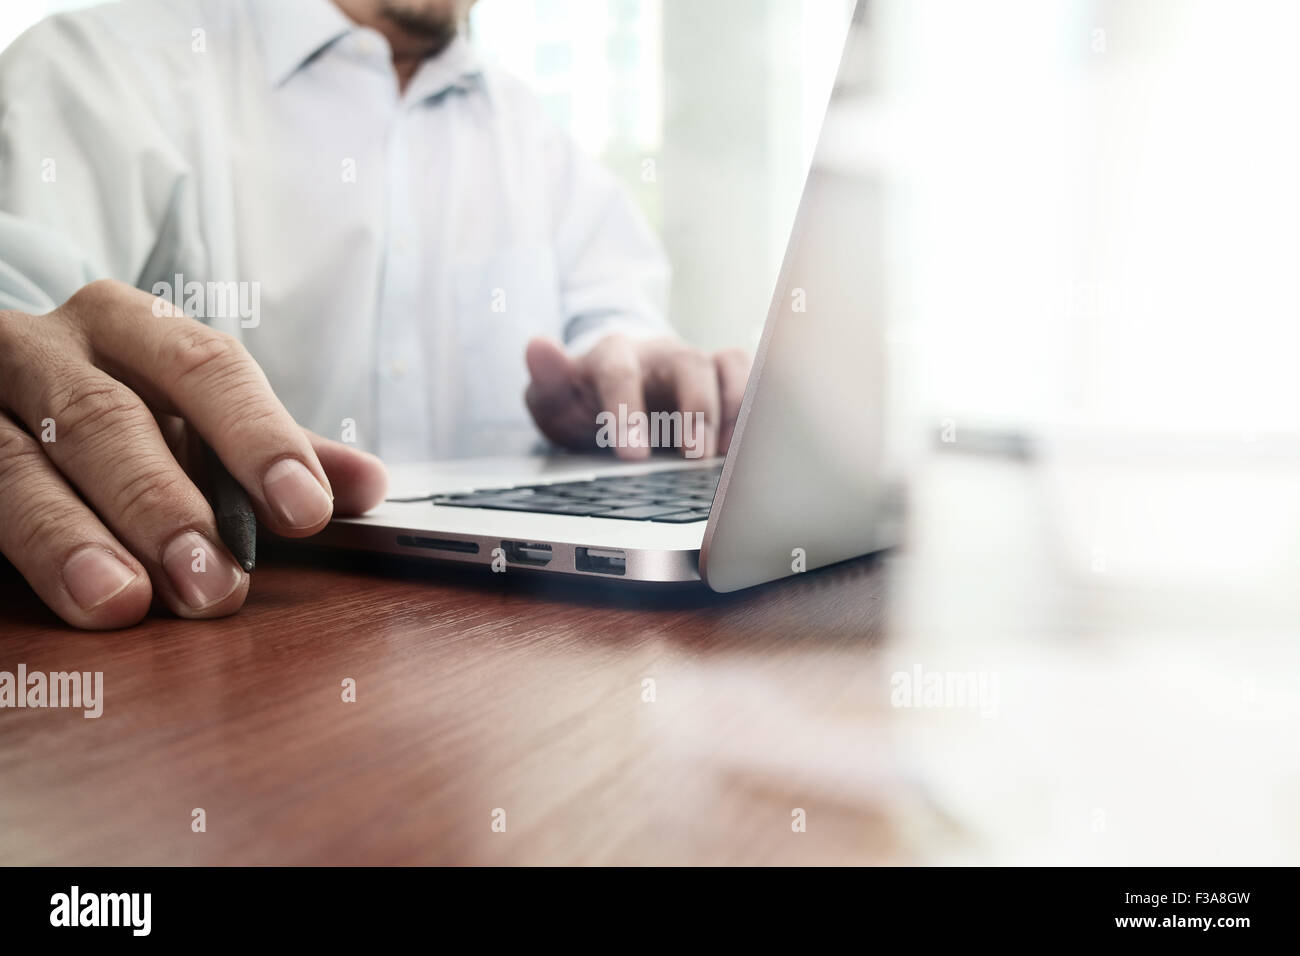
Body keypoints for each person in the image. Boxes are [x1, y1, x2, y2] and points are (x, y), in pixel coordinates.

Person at [0, 0, 750, 630]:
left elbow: (617, 318)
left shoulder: (537, 137)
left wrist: (629, 384)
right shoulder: (95, 69)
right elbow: (26, 337)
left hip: (527, 645)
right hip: (229, 659)